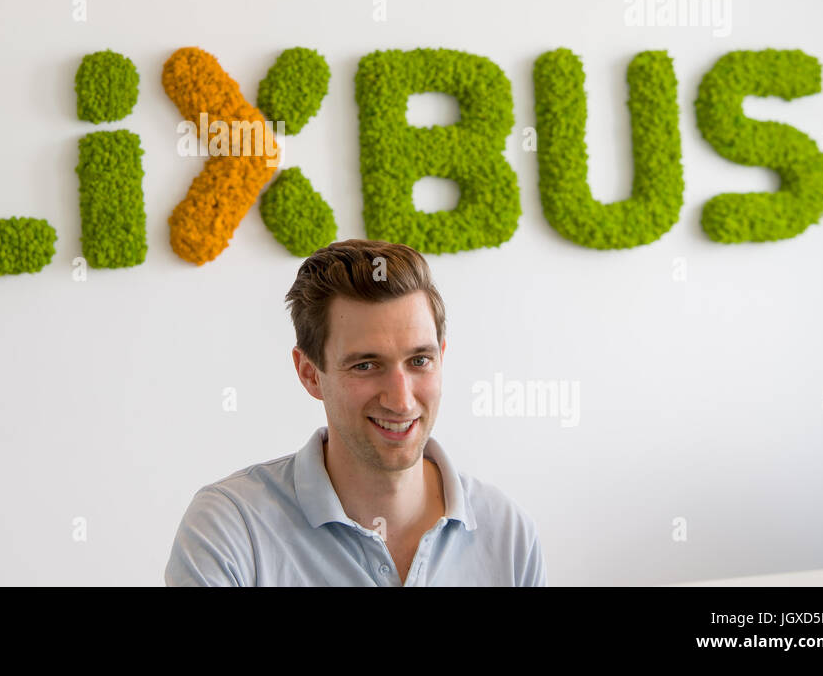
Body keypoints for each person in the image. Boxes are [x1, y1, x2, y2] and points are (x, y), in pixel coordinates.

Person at [164, 238, 547, 586]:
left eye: (419, 360)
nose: (401, 400)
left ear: (441, 358)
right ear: (309, 373)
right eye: (365, 365)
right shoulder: (232, 529)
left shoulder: (508, 534)